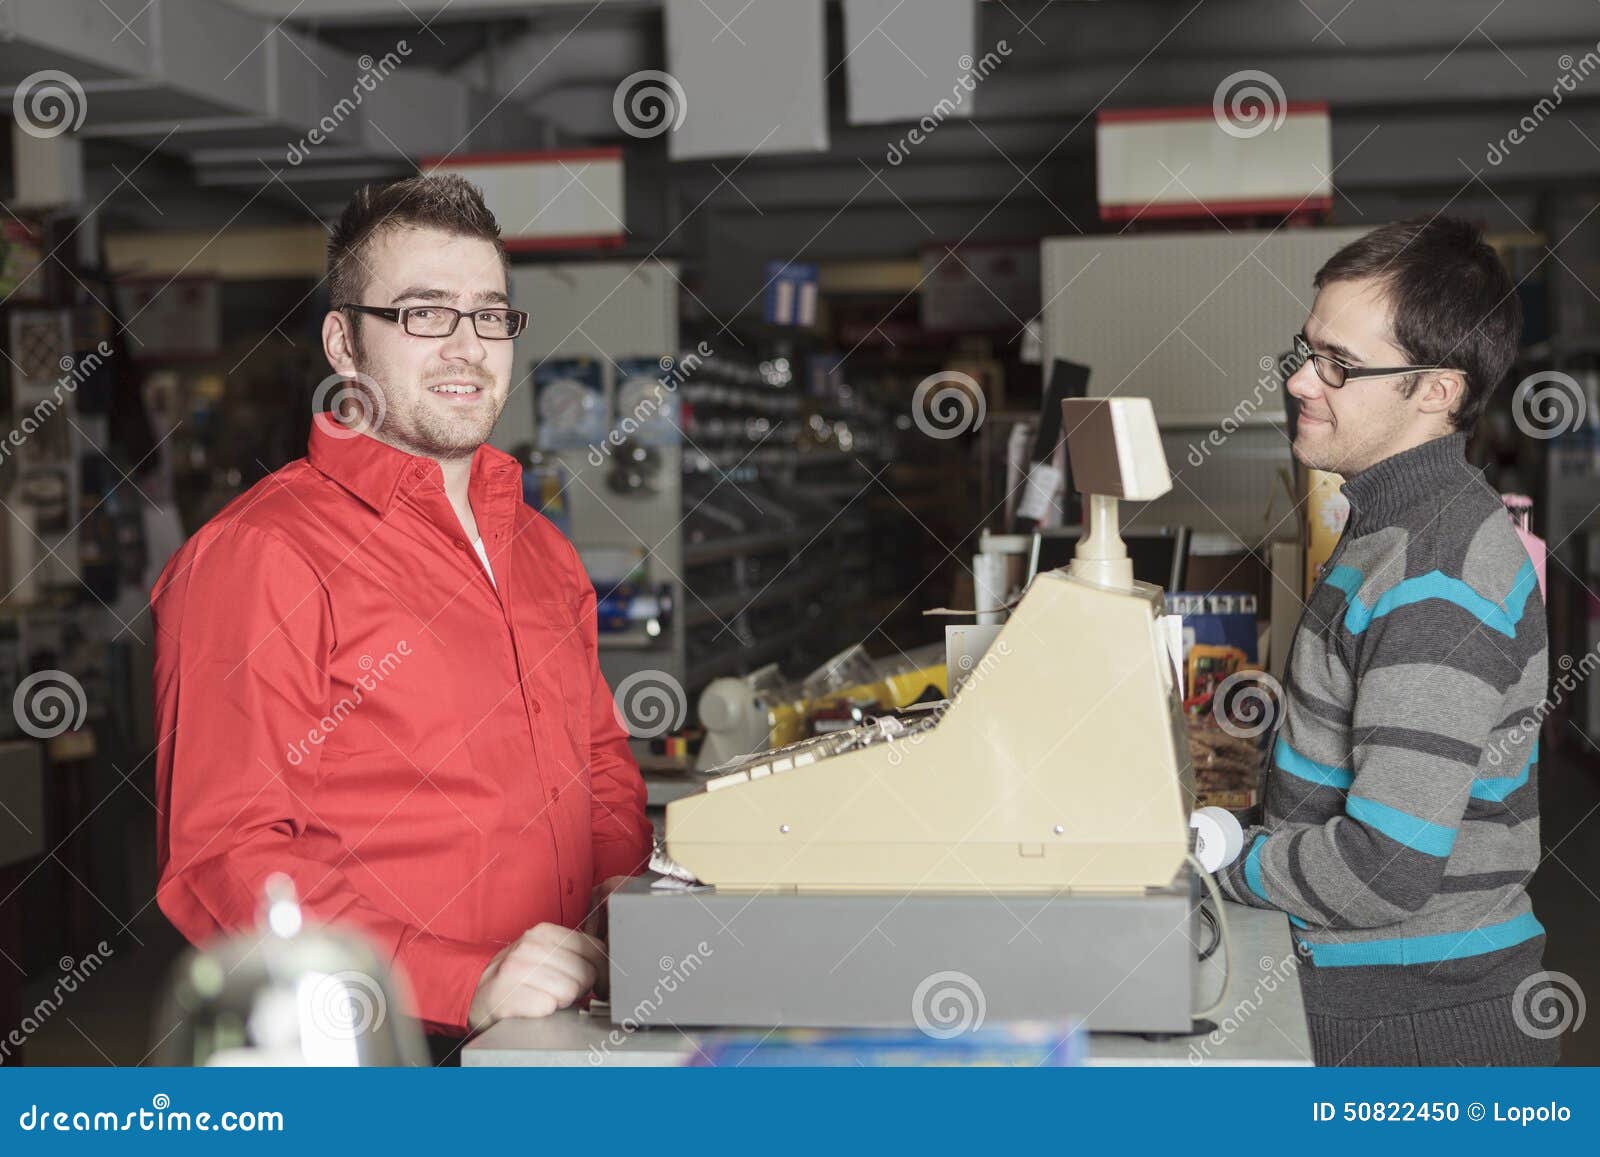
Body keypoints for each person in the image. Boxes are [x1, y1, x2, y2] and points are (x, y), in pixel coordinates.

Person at [151, 174, 652, 1049]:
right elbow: (225, 859)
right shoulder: (262, 554)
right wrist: (469, 978)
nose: (467, 346)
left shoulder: (541, 550)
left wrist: (627, 916)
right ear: (344, 342)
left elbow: (600, 766)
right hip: (393, 1049)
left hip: (567, 1030)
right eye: (424, 313)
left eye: (489, 314)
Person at [1216, 216, 1555, 1066]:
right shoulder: (1392, 525)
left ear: (1437, 390)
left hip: (1418, 1031)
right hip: (1396, 1003)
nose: (1300, 381)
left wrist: (1227, 858)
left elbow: (1384, 868)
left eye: (1338, 364)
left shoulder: (1433, 573)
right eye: (1303, 350)